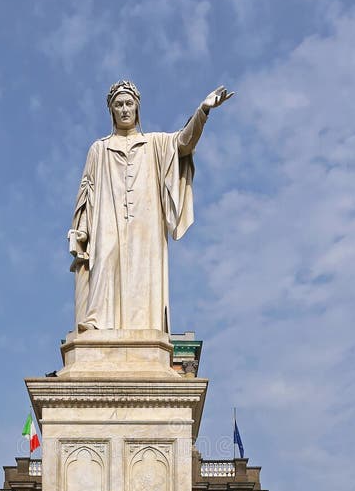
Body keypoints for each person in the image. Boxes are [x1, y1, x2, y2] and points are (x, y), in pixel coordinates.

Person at [69, 80, 233, 332]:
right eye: (118, 105)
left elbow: (184, 142)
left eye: (129, 103)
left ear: (137, 107)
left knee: (143, 270)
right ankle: (98, 321)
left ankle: (145, 327)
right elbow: (86, 192)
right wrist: (82, 230)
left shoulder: (155, 143)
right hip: (107, 217)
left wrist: (203, 111)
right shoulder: (99, 149)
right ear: (111, 111)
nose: (124, 109)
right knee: (104, 259)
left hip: (146, 221)